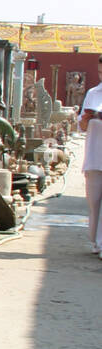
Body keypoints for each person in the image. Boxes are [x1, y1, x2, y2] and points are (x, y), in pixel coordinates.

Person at [78, 55, 102, 257]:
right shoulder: (93, 93)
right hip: (94, 156)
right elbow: (81, 126)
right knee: (94, 204)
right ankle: (94, 241)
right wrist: (87, 119)